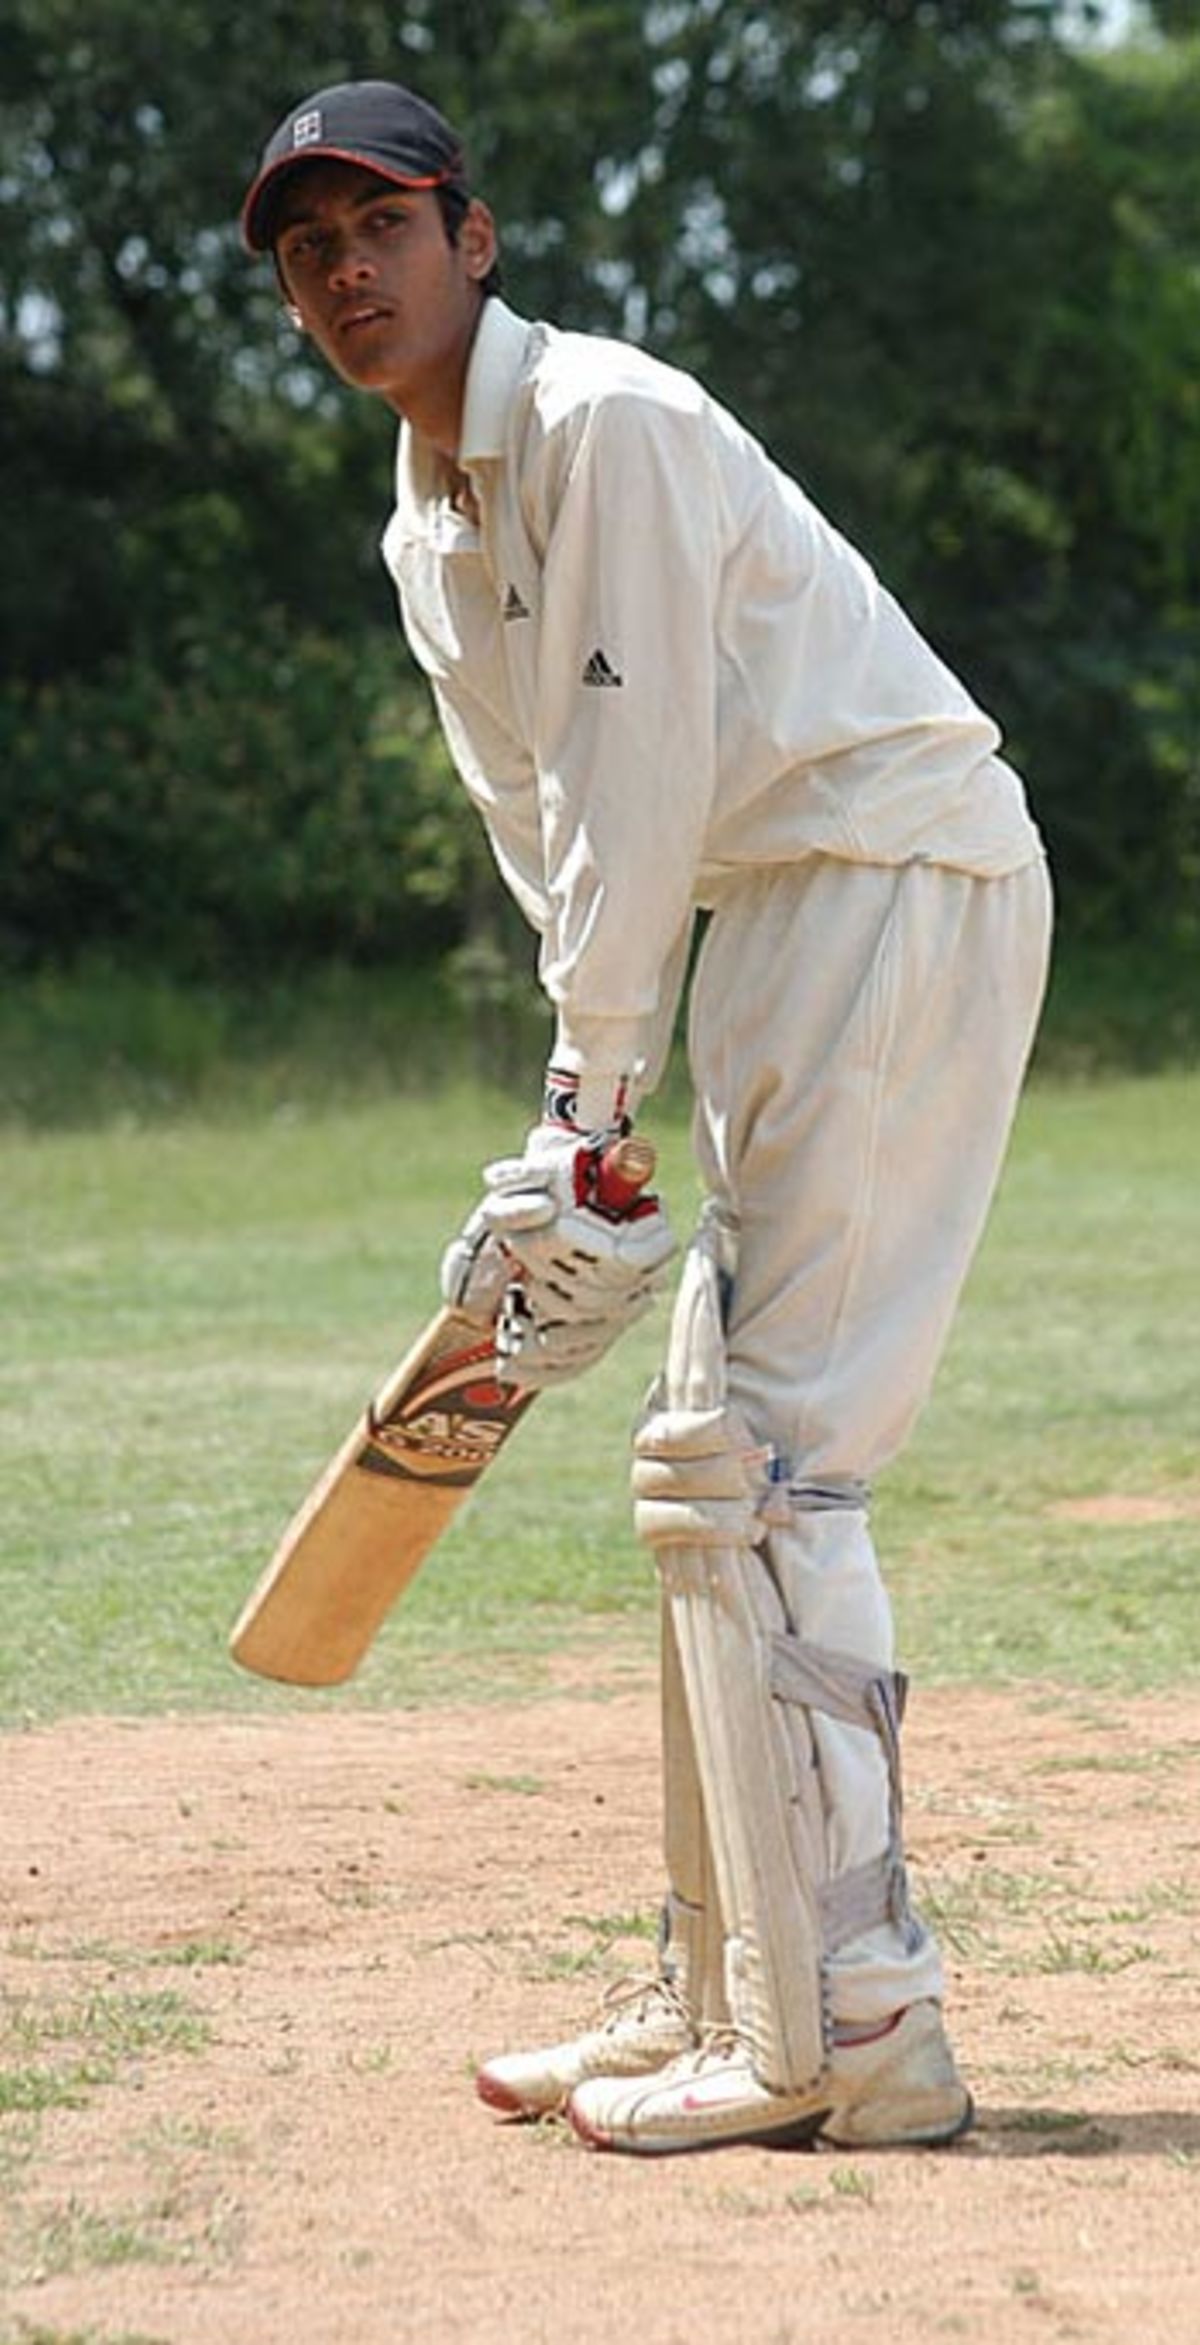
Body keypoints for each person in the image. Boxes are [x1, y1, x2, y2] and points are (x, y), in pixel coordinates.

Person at [241, 78, 1052, 2158]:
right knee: (710, 1470)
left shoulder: (599, 427)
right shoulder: (430, 523)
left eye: (380, 228)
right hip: (783, 914)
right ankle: (738, 1976)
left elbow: (641, 778)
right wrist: (575, 1152)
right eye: (305, 246)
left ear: (473, 240)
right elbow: (553, 843)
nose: (345, 271)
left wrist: (588, 1086)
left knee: (774, 1466)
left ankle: (861, 2025)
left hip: (890, 876)